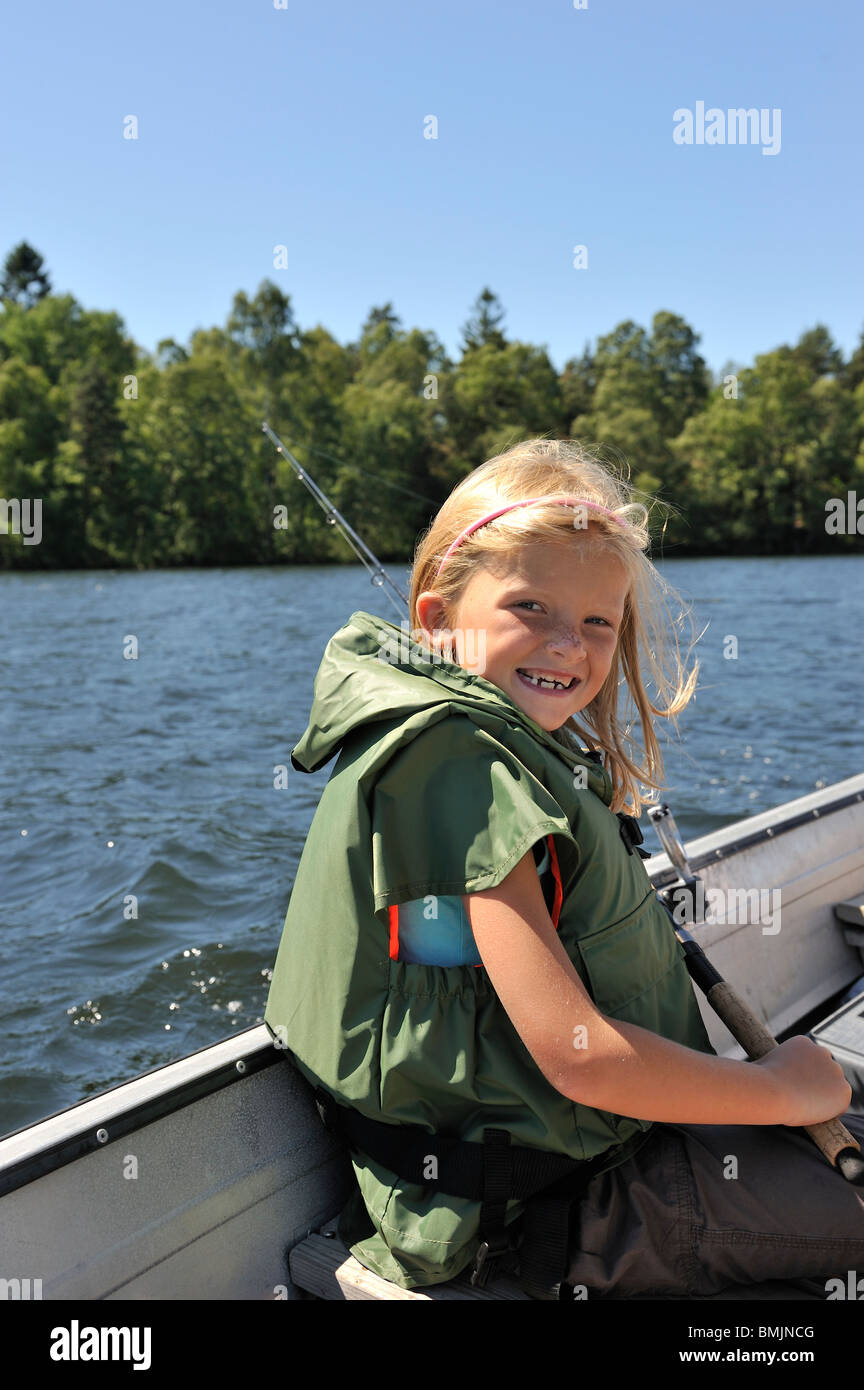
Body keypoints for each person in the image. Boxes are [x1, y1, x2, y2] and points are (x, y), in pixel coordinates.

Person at [264, 437, 864, 1300]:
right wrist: (772, 1091)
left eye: (596, 621)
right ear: (436, 620)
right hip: (557, 1214)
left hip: (591, 1160)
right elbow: (580, 1060)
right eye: (531, 606)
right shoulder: (464, 777)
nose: (567, 645)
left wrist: (779, 1090)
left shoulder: (478, 746)